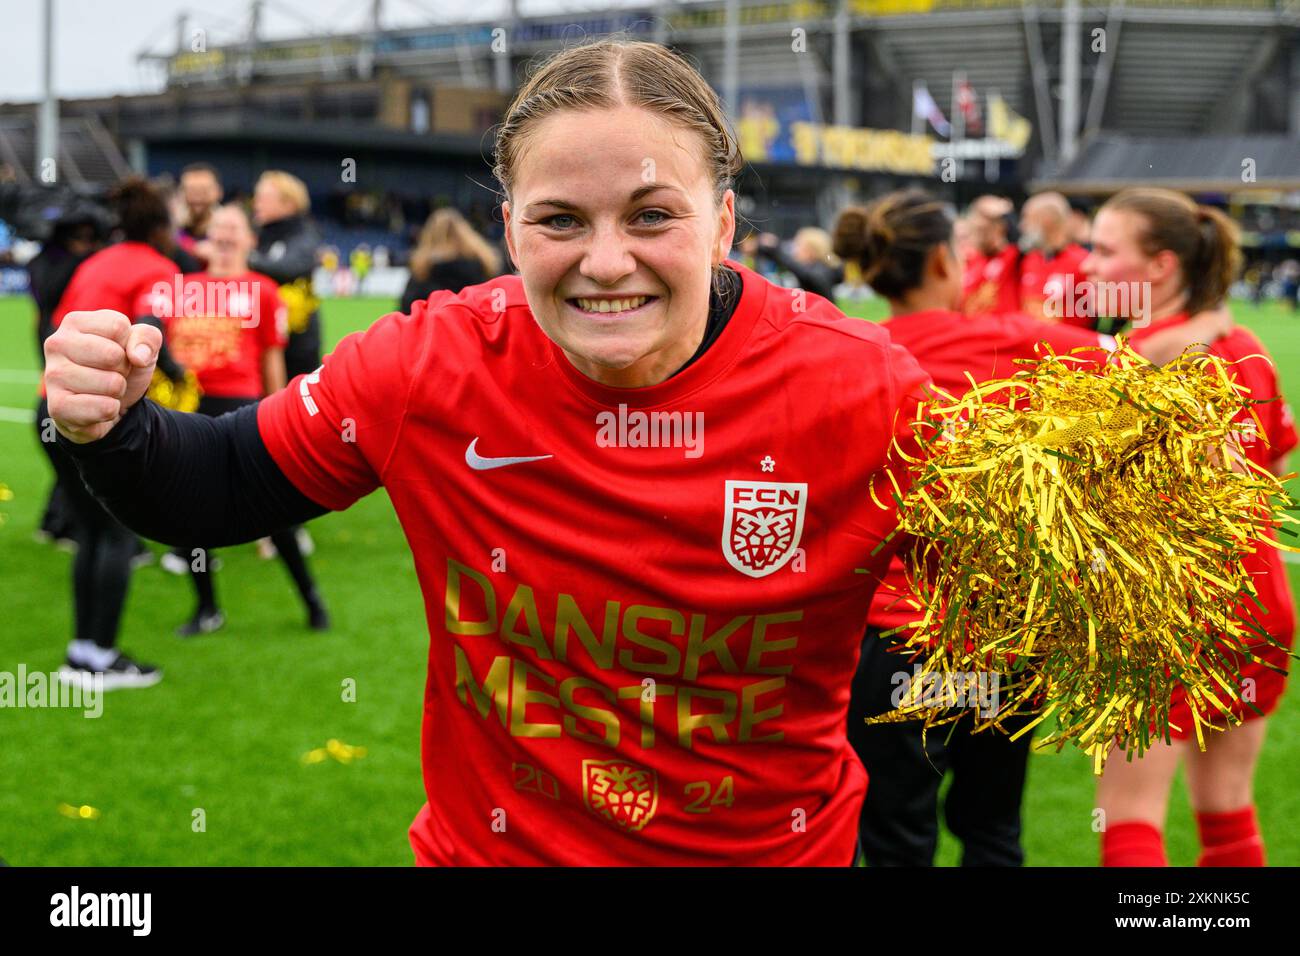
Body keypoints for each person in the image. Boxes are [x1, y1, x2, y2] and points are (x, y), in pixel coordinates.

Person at [44, 38, 935, 865]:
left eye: (652, 214)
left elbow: (1004, 622)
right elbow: (221, 486)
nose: (608, 261)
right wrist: (117, 427)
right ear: (510, 232)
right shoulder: (430, 364)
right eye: (561, 221)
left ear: (723, 225)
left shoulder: (866, 391)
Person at [831, 189, 1229, 867]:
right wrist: (1212, 319)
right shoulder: (1010, 337)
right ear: (941, 261)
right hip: (1005, 642)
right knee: (992, 830)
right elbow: (1143, 370)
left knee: (894, 838)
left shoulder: (850, 352)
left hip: (896, 641)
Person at [1084, 188, 1296, 867]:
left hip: (1162, 610)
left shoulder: (1129, 362)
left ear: (1159, 266)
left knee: (1128, 814)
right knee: (1228, 805)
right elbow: (1278, 456)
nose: (1086, 267)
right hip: (1258, 603)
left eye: (1105, 250)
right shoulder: (1244, 344)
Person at [39, 177, 191, 690]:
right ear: (161, 226)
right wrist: (177, 370)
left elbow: (58, 328)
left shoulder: (95, 261)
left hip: (55, 408)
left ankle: (82, 651)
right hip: (100, 414)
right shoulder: (159, 267)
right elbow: (148, 333)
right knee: (117, 535)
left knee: (92, 533)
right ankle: (99, 658)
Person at [163, 204, 330, 635]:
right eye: (217, 226)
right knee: (187, 513)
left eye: (234, 226)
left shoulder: (263, 290)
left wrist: (280, 414)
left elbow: (273, 359)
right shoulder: (182, 288)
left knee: (273, 514)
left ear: (250, 240)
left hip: (241, 408)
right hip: (188, 410)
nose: (224, 233)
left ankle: (311, 598)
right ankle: (206, 608)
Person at [250, 171, 322, 380]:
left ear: (288, 204)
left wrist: (247, 259)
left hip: (297, 342)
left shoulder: (305, 233)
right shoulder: (260, 234)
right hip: (263, 335)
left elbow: (290, 267)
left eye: (263, 197)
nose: (256, 203)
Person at [398, 207, 502, 314]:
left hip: (434, 328)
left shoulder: (422, 269)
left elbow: (406, 309)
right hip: (471, 327)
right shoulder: (482, 265)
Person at [1018, 191, 1091, 329]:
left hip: (1065, 348)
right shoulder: (1030, 259)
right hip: (1030, 347)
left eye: (1027, 218)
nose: (1022, 226)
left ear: (1047, 220)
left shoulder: (1083, 263)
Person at [959, 195, 1020, 316]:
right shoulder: (969, 262)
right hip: (972, 331)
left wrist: (1005, 212)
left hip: (1001, 331)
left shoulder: (1012, 256)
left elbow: (1023, 238)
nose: (979, 236)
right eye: (975, 230)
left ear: (1000, 228)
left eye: (984, 230)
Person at [752, 227, 844, 302]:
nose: (795, 250)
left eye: (798, 245)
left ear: (811, 250)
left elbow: (808, 275)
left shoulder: (822, 270)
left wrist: (775, 249)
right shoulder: (817, 268)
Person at [176, 162, 223, 268]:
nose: (197, 197)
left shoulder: (231, 234)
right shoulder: (170, 232)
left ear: (218, 192)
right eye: (191, 190)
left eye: (204, 191)